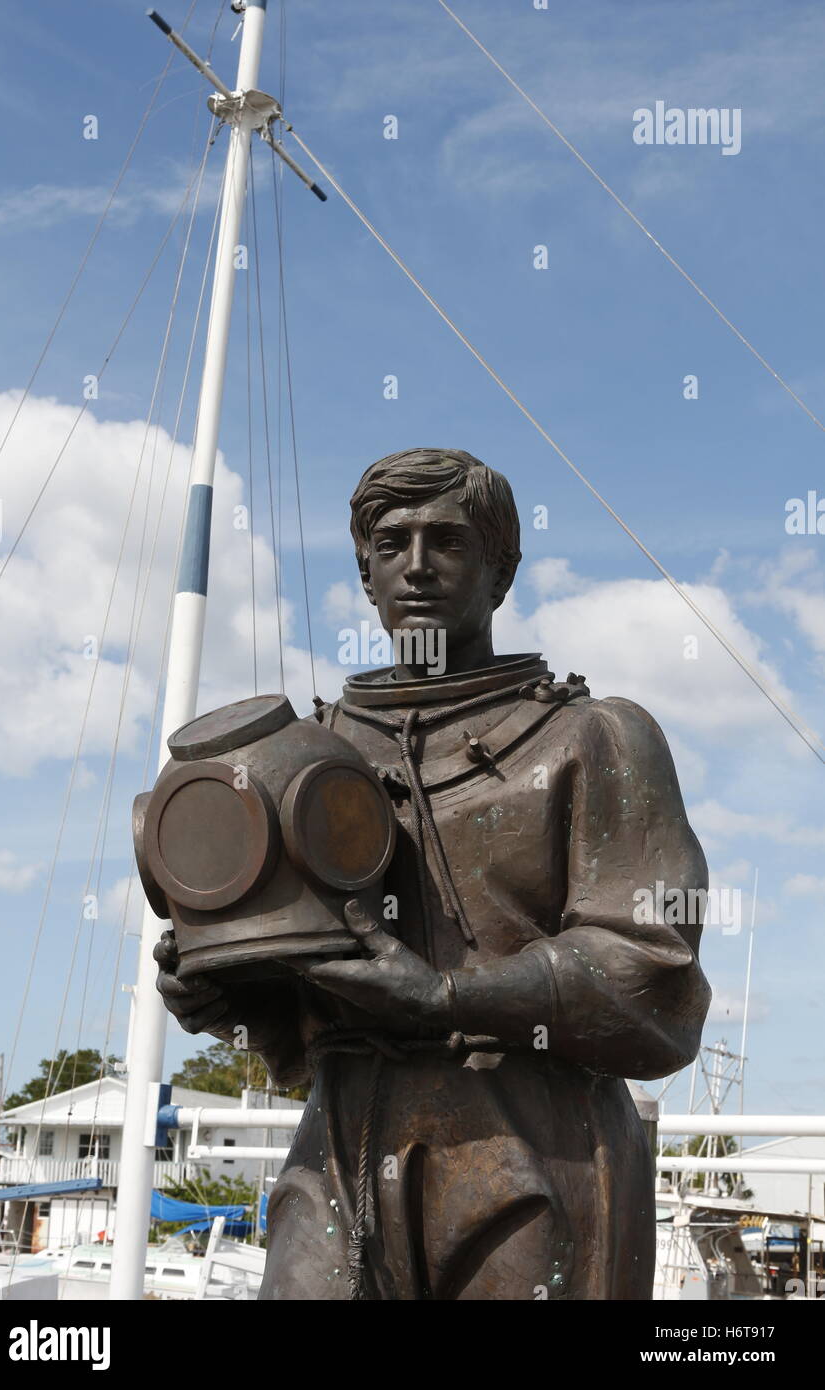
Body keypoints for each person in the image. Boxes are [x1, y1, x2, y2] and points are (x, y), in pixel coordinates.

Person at [155, 447, 711, 1300]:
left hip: (533, 1149)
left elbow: (654, 971)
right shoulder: (303, 758)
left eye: (448, 542)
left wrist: (451, 997)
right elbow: (294, 1017)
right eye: (391, 545)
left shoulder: (593, 738)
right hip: (339, 1150)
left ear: (502, 570)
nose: (416, 566)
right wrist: (230, 997)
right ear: (365, 574)